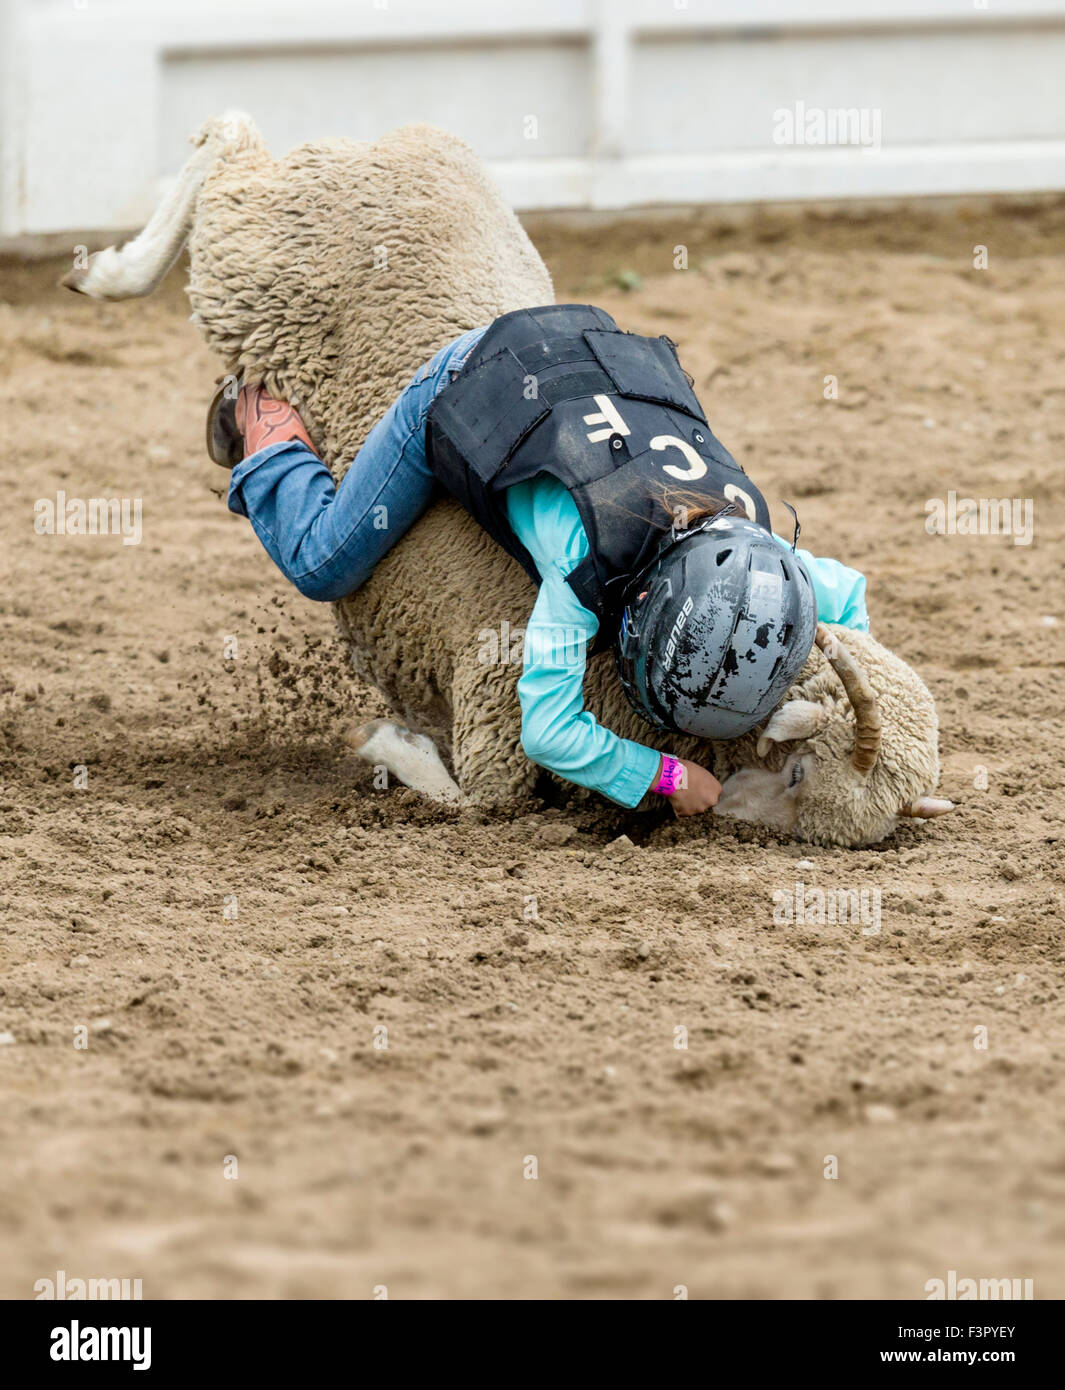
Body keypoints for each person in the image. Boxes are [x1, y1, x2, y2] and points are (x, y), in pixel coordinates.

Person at [208, 305, 868, 816]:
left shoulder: (761, 560)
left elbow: (850, 597)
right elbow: (548, 732)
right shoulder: (587, 567)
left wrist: (854, 683)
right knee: (323, 562)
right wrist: (666, 776)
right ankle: (262, 424)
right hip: (474, 374)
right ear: (636, 604)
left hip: (598, 347)